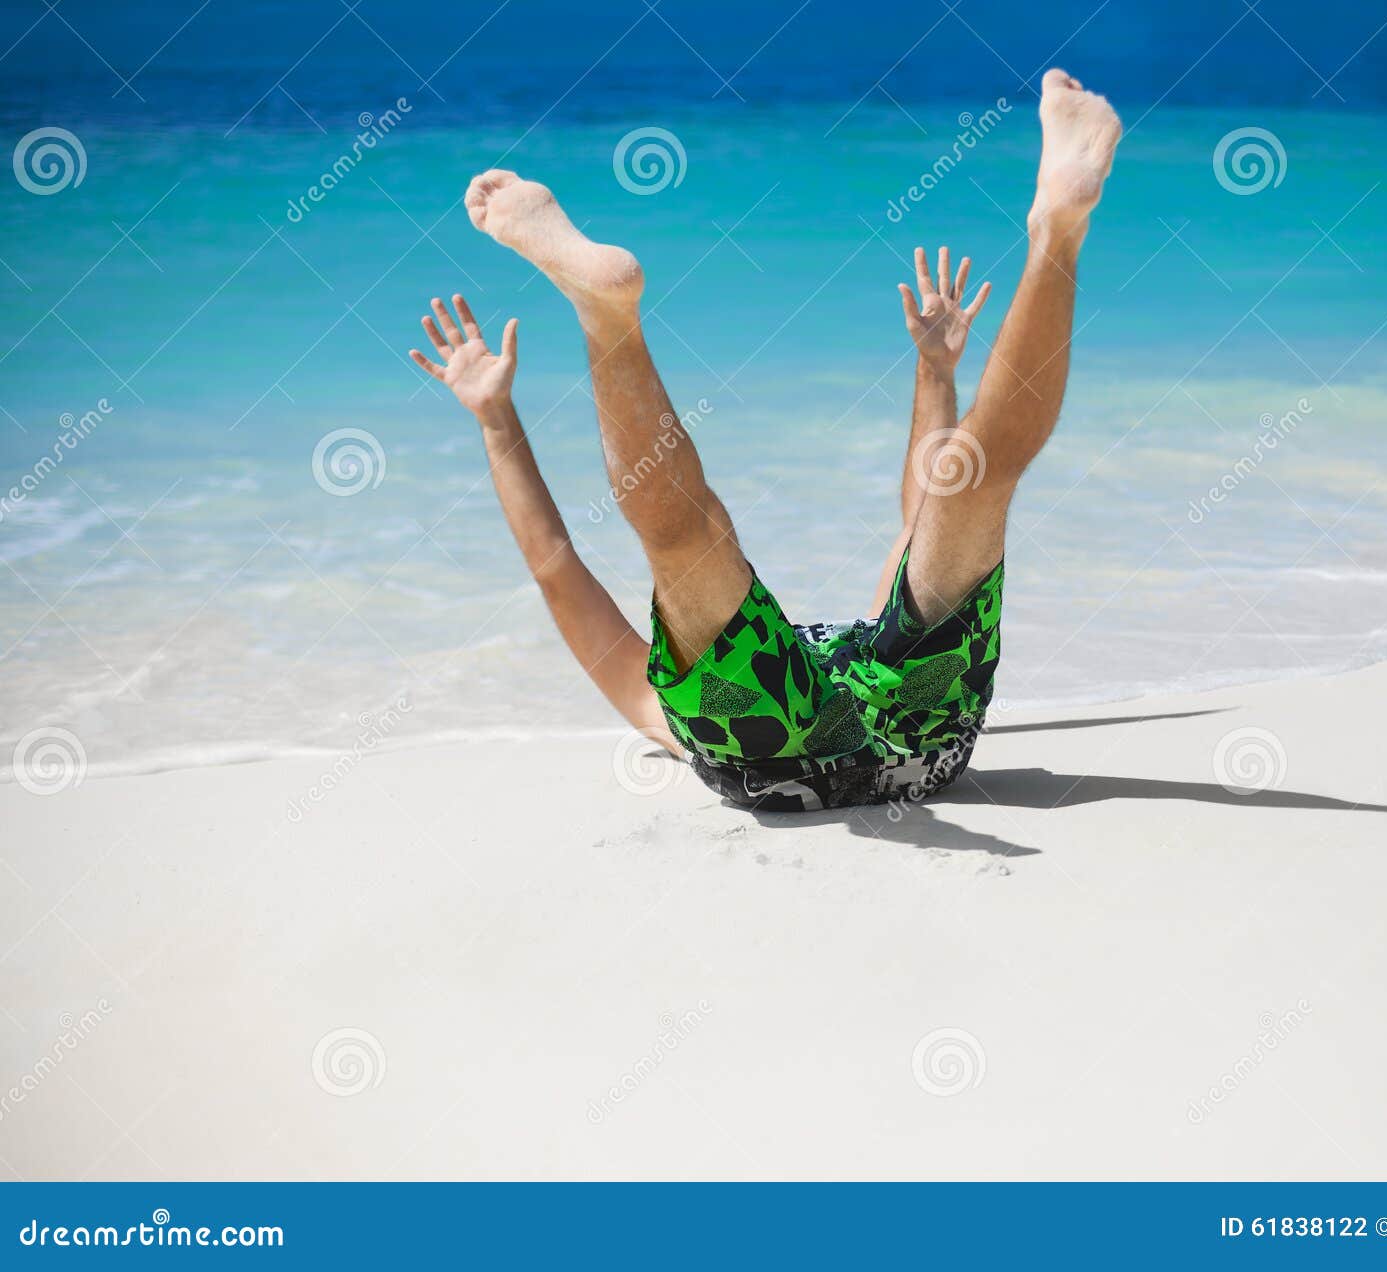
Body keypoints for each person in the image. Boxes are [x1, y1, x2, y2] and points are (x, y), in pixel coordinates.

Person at [408, 70, 1122, 811]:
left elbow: (558, 572)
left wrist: (496, 419)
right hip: (914, 727)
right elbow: (924, 523)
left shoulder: (702, 699)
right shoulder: (867, 649)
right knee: (968, 479)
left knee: (688, 533)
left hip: (777, 750)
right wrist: (935, 374)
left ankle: (606, 317)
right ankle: (1055, 232)